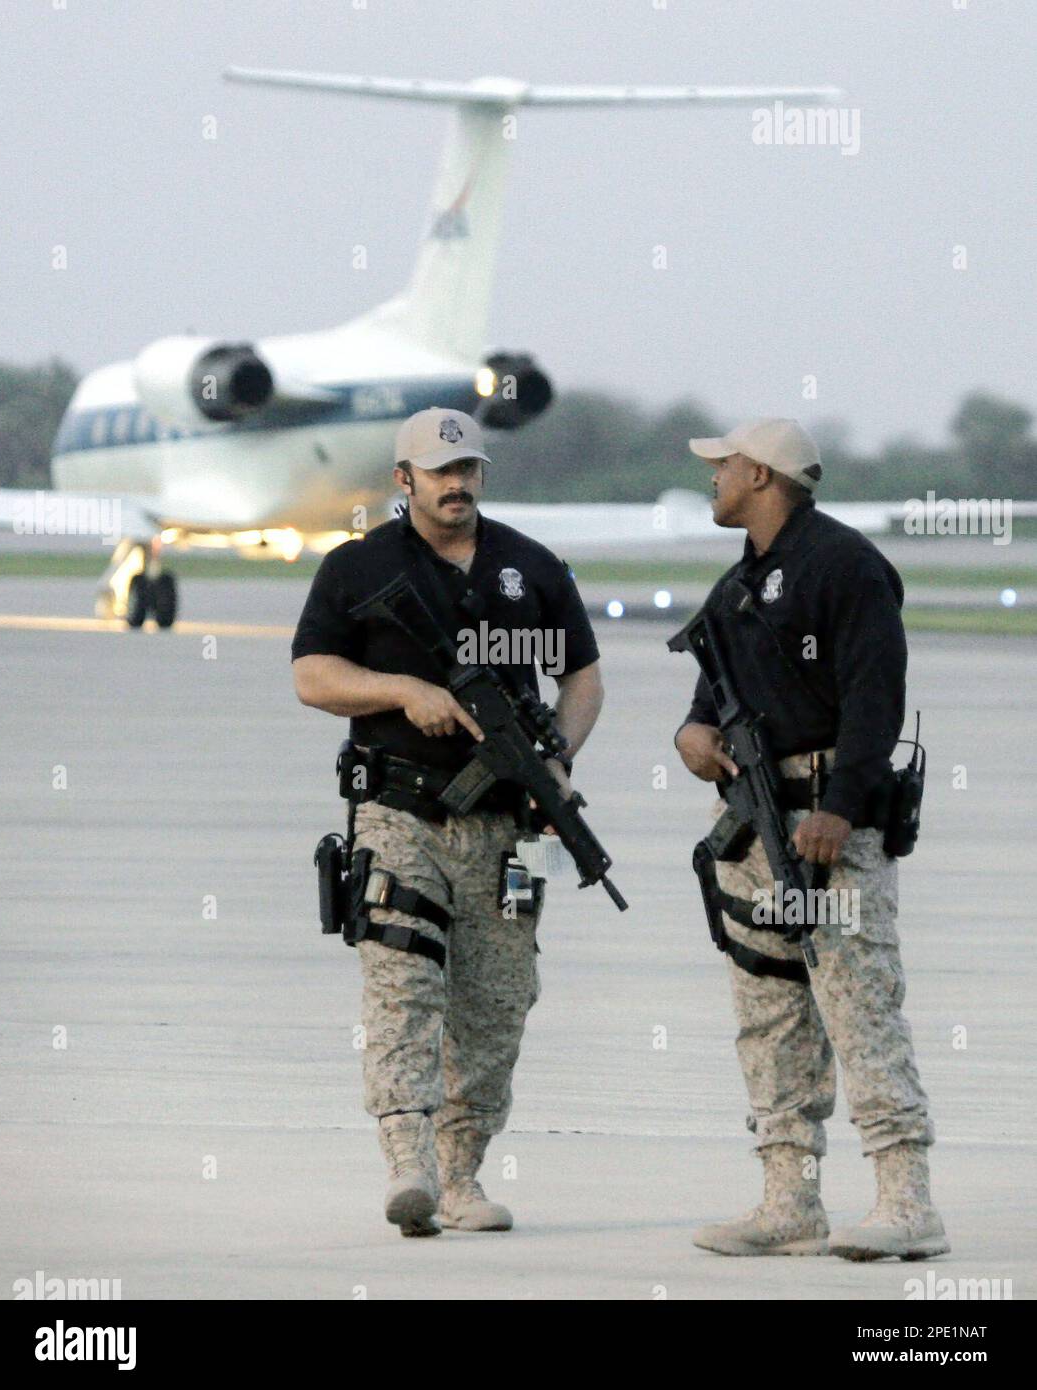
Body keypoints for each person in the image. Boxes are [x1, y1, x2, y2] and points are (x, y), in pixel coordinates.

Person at [292, 406, 603, 1236]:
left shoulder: (529, 568)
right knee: (402, 986)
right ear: (405, 480)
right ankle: (409, 1165)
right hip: (399, 813)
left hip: (502, 827)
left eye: (468, 470)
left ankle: (463, 1175)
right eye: (440, 472)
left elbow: (582, 676)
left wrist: (557, 763)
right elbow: (314, 675)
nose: (457, 484)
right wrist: (403, 692)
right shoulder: (358, 568)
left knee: (499, 1001)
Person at [673, 417, 949, 1262]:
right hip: (758, 823)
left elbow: (876, 695)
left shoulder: (844, 564)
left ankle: (908, 1200)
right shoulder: (737, 587)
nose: (713, 479)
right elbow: (708, 696)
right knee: (770, 1013)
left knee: (859, 1005)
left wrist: (846, 804)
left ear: (760, 474)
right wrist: (691, 737)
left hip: (832, 827)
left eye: (723, 468)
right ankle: (789, 1199)